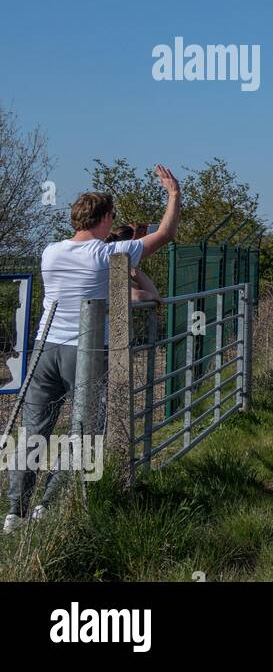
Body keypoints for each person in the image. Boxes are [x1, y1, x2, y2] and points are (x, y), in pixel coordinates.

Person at [4, 166, 181, 532]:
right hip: (85, 352)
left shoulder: (49, 252)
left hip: (44, 348)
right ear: (104, 219)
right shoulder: (108, 256)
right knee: (84, 432)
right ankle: (49, 505)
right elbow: (166, 234)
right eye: (112, 217)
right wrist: (173, 195)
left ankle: (14, 513)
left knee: (34, 431)